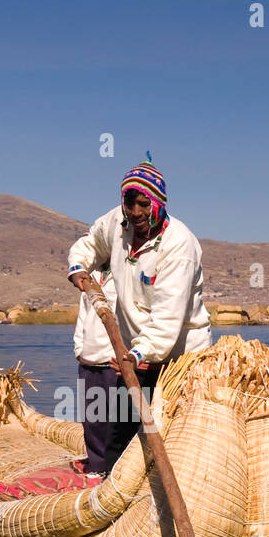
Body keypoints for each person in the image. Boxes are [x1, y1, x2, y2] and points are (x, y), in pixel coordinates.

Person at [67, 157, 211, 471]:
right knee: (121, 436)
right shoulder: (117, 223)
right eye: (130, 204)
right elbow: (91, 243)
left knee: (171, 434)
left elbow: (167, 319)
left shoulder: (179, 246)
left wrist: (137, 353)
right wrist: (79, 267)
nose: (136, 213)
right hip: (137, 352)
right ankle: (114, 498)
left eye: (144, 205)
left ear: (159, 201)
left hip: (176, 356)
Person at [72, 262, 117, 475]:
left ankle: (115, 467)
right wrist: (79, 348)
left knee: (117, 417)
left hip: (112, 358)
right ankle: (98, 465)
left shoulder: (123, 275)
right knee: (92, 418)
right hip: (88, 358)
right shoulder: (90, 278)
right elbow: (83, 316)